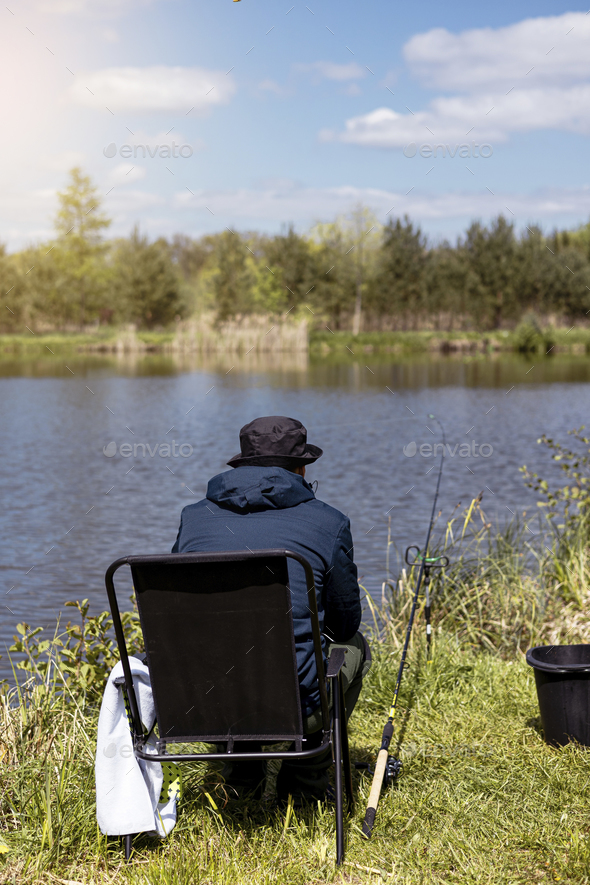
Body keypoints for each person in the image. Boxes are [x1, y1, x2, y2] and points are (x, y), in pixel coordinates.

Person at [171, 415, 371, 802]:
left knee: (220, 644)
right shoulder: (328, 522)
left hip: (204, 703)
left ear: (242, 465)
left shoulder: (194, 518)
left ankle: (241, 781)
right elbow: (346, 621)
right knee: (355, 645)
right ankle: (303, 783)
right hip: (295, 706)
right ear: (301, 469)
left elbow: (185, 615)